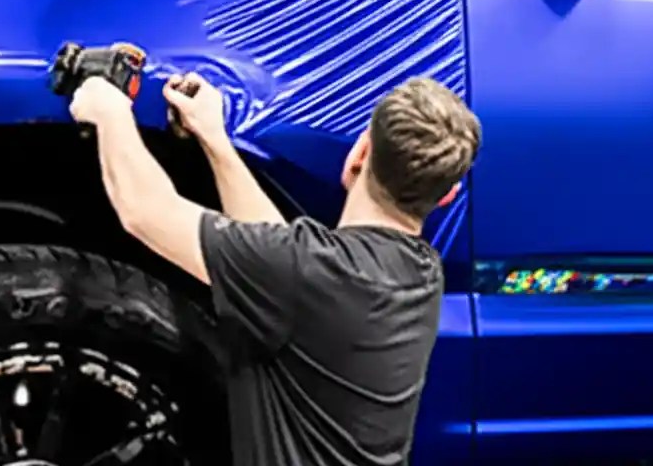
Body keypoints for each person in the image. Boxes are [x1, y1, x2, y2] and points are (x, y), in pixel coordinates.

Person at [69, 71, 482, 466]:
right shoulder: (422, 273)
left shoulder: (307, 270)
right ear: (447, 195)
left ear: (360, 153)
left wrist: (110, 111)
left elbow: (145, 211)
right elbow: (276, 252)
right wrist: (215, 141)